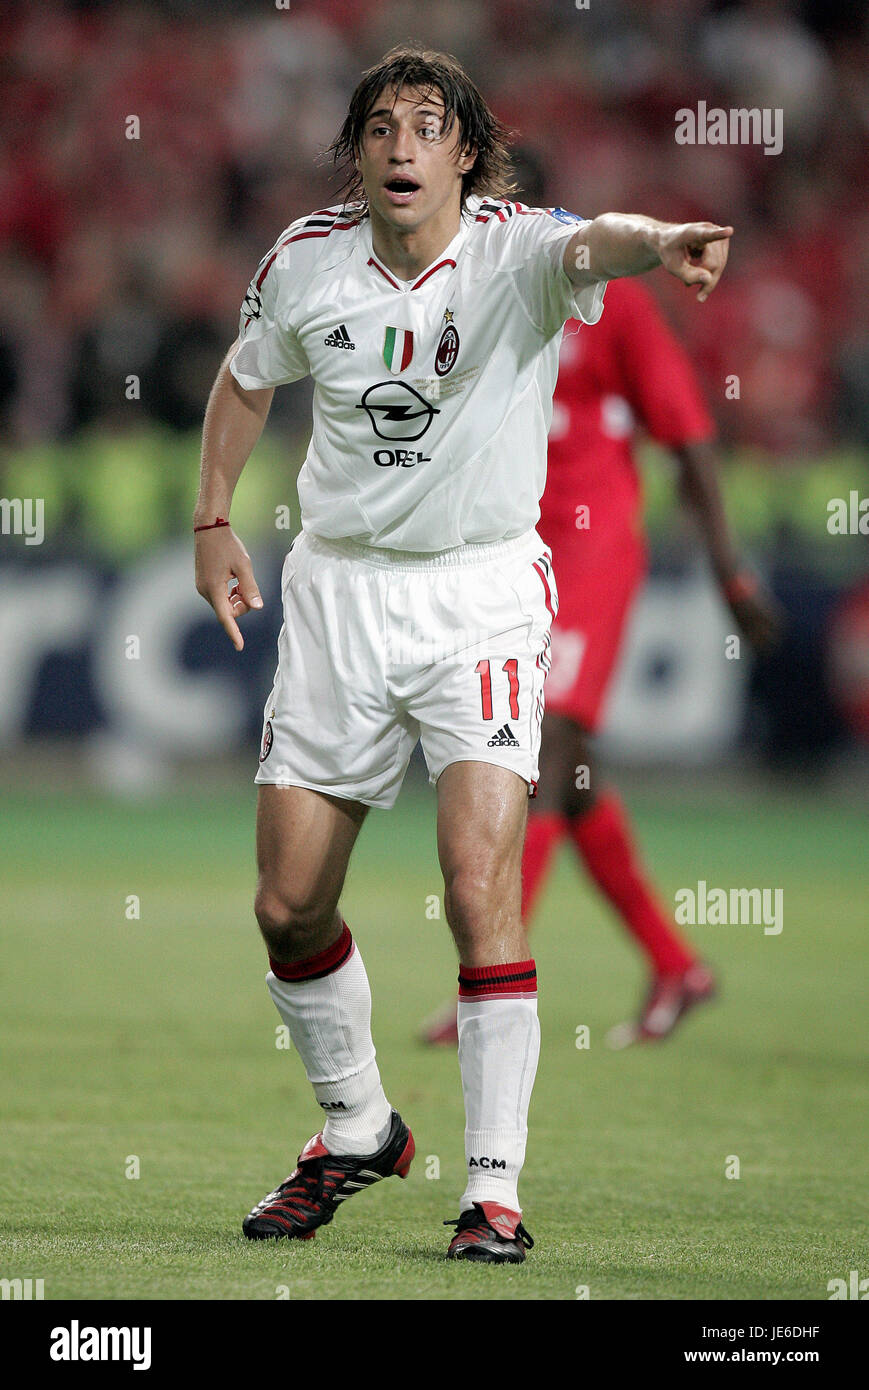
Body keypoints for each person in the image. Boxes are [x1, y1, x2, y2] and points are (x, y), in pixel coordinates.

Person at [194, 43, 732, 1264]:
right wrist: (213, 517)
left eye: (425, 127)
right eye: (379, 127)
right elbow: (241, 379)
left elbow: (599, 239)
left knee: (479, 882)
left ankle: (492, 1188)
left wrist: (662, 237)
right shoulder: (304, 263)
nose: (398, 147)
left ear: (467, 155)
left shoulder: (516, 250)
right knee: (287, 903)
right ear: (357, 152)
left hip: (480, 595)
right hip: (338, 597)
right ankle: (357, 1126)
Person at [422, 152, 780, 1052]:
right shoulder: (460, 296)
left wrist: (730, 573)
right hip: (507, 557)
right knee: (568, 775)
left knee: (544, 746)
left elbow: (688, 437)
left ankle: (485, 989)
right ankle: (674, 966)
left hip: (591, 551)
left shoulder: (607, 293)